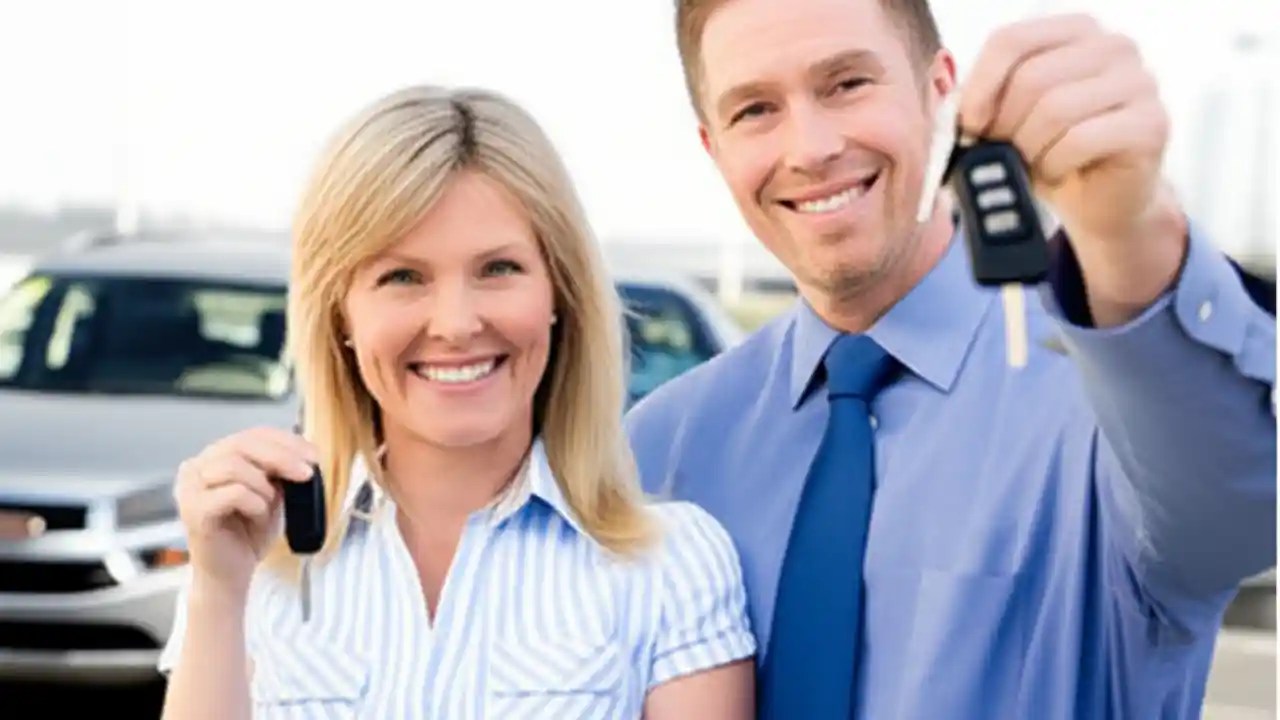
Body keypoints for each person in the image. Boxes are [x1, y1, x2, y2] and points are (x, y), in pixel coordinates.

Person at [624, 1, 1276, 718]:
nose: (809, 147)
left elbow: (1237, 519)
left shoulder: (1111, 405)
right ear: (714, 148)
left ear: (941, 93)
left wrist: (1131, 231)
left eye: (846, 83)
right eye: (754, 109)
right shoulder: (656, 457)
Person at [157, 84, 756, 719]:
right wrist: (219, 592)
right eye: (403, 278)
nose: (456, 322)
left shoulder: (674, 564)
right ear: (340, 316)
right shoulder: (253, 558)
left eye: (498, 269)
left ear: (560, 294)